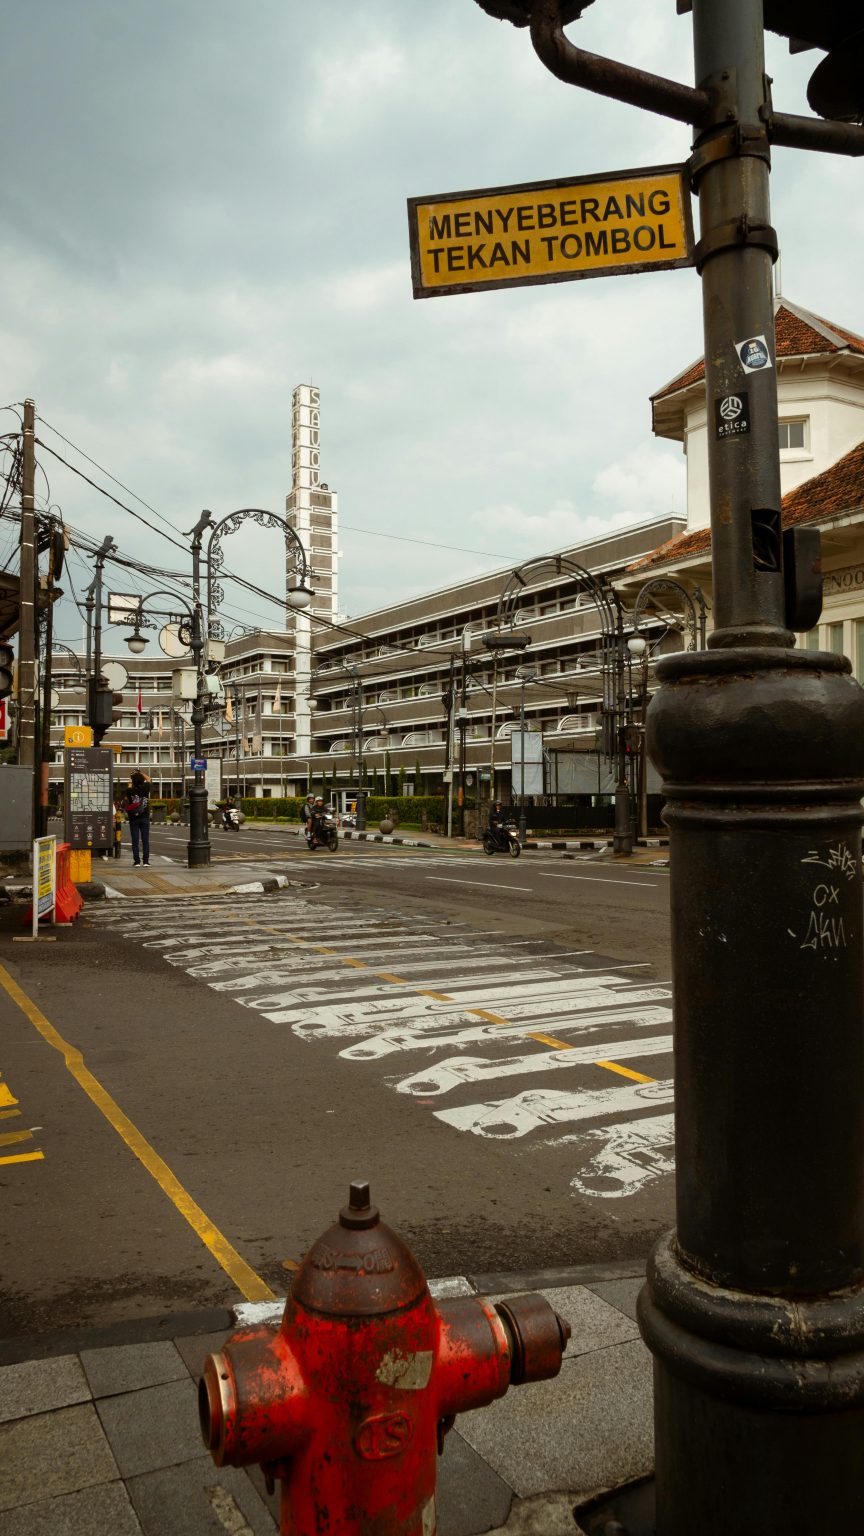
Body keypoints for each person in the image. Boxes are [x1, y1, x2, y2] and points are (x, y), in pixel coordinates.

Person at [124, 771, 151, 867]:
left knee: (135, 840)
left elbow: (127, 797)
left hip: (133, 818)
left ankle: (137, 862)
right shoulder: (146, 788)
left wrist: (130, 783)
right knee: (145, 840)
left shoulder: (129, 791)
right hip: (144, 817)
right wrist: (140, 772)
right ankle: (146, 861)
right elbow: (148, 779)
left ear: (133, 782)